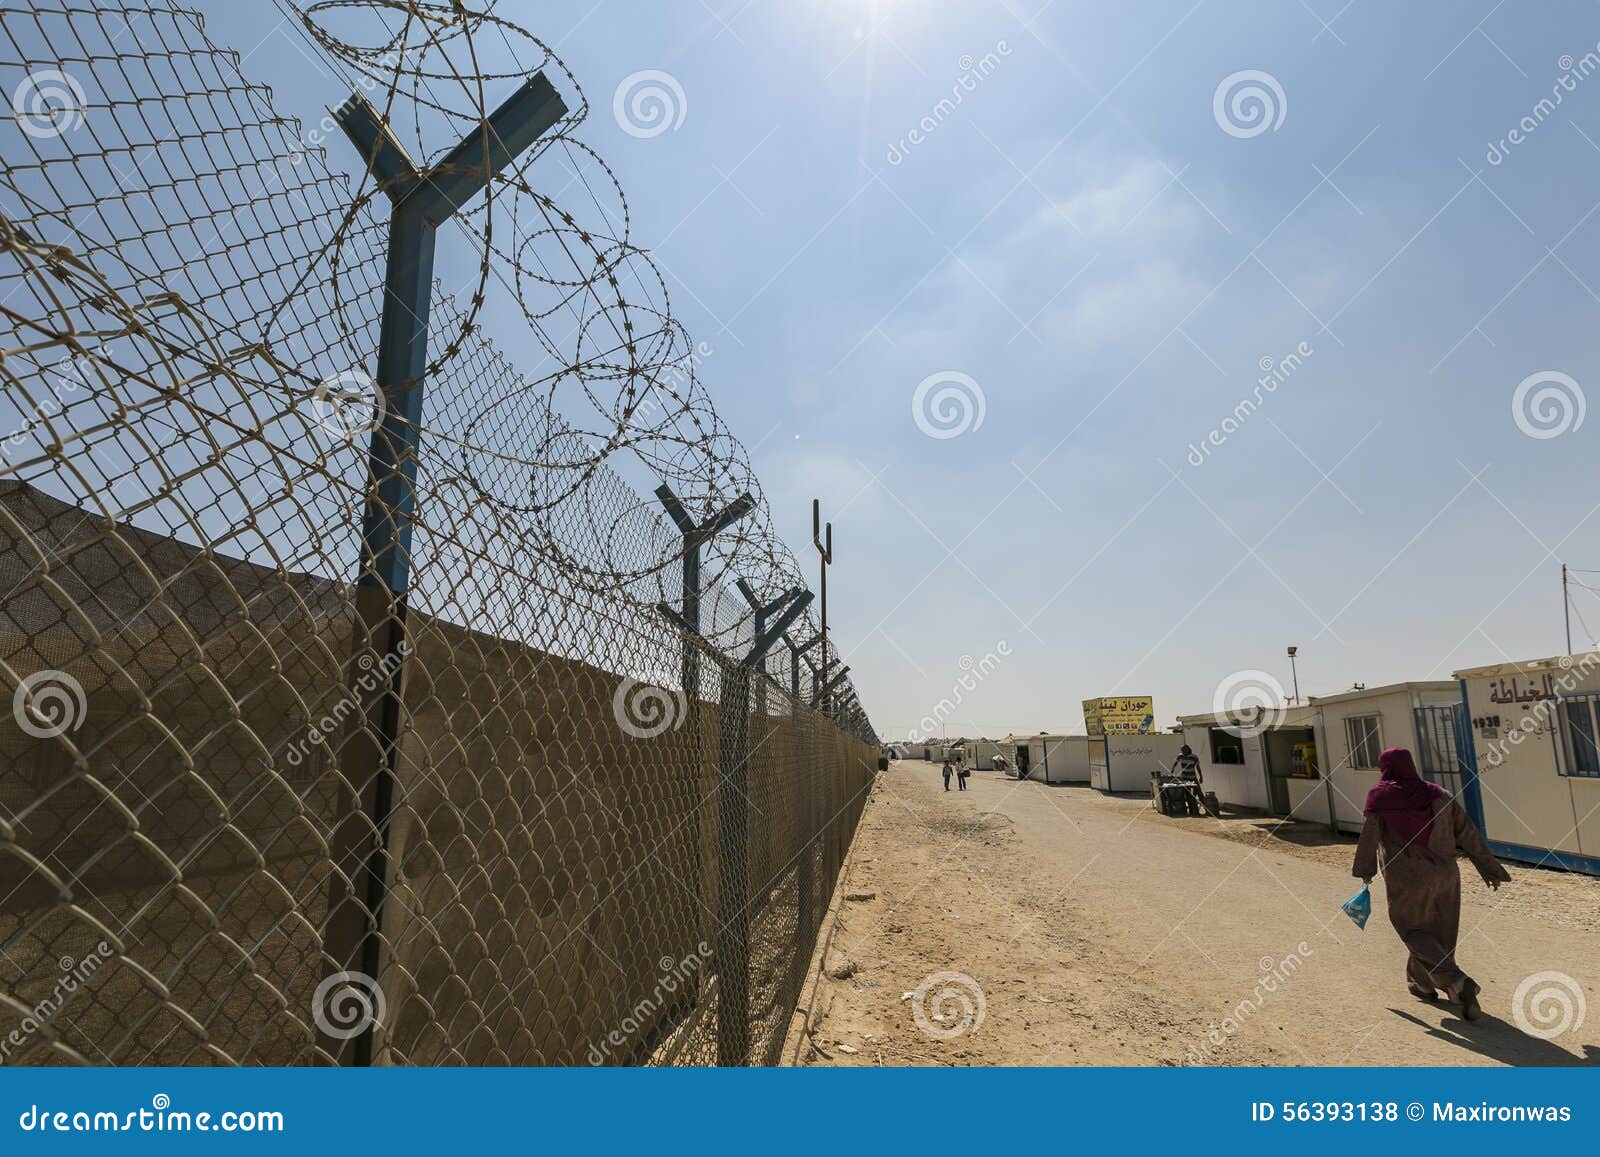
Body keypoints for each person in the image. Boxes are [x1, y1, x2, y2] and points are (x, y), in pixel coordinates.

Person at [1351, 747, 1510, 1020]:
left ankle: (1458, 981)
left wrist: (1365, 872)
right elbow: (1467, 832)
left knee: (1413, 929)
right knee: (1439, 932)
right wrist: (1490, 868)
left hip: (1407, 877)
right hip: (1446, 874)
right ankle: (1422, 984)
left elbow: (1370, 836)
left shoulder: (1380, 796)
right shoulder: (1440, 794)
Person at [1170, 744, 1203, 816]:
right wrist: (1173, 768)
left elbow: (1198, 767)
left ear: (1188, 749)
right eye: (1182, 750)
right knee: (1188, 794)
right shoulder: (1180, 756)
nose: (1183, 751)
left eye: (1184, 749)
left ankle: (1204, 810)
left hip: (1193, 777)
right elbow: (1176, 762)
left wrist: (1201, 776)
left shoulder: (1194, 757)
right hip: (1184, 777)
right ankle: (1192, 811)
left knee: (1198, 792)